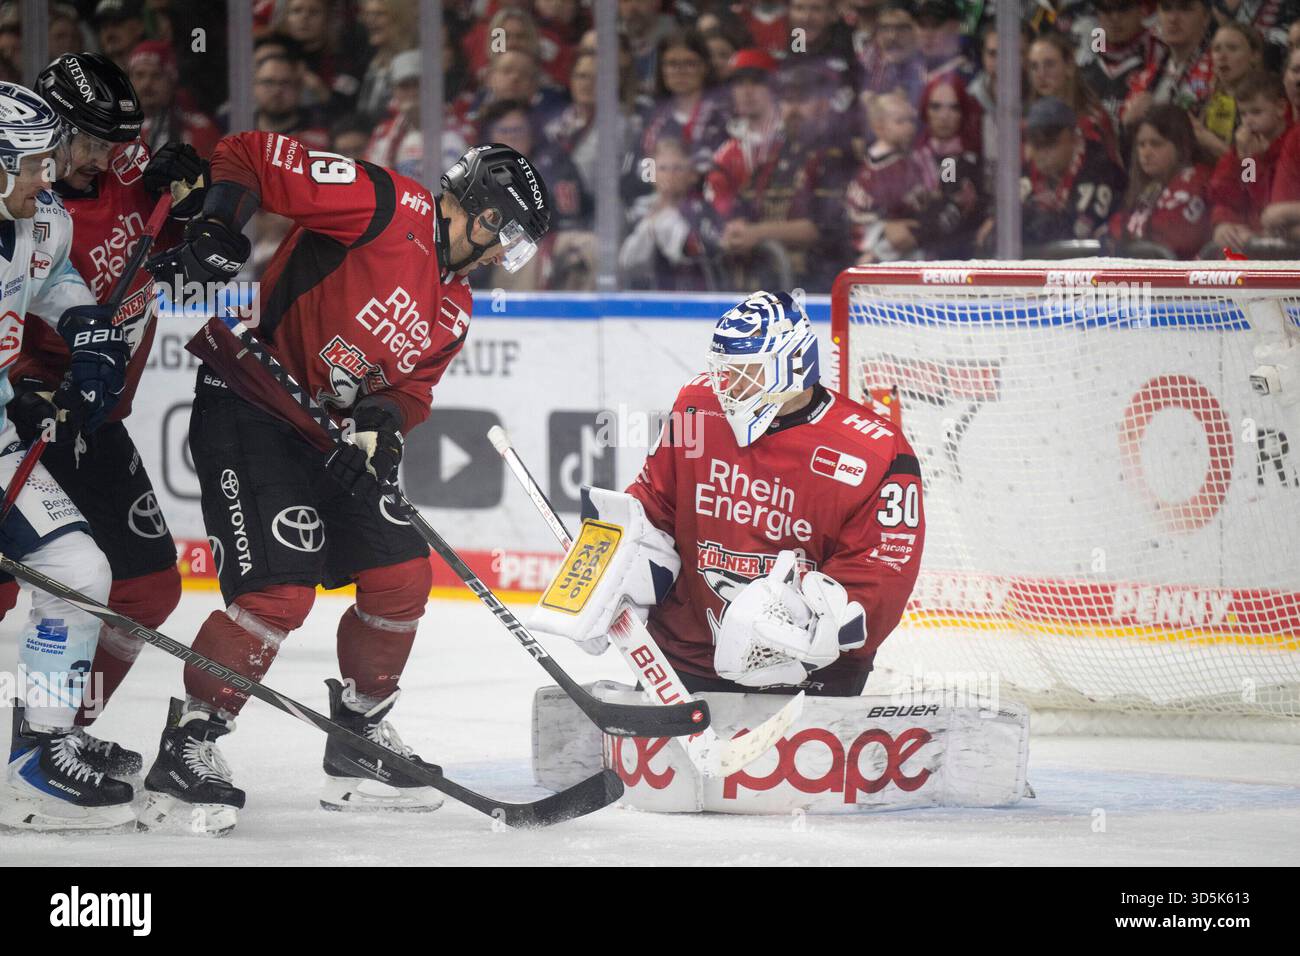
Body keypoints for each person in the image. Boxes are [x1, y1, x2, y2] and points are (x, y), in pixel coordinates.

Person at [136, 141, 552, 834]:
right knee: (280, 589)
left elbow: (411, 391)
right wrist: (215, 224)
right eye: (504, 238)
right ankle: (190, 742)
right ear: (478, 209)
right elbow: (250, 155)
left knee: (402, 575)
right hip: (249, 398)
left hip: (326, 436)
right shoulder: (390, 205)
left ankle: (358, 736)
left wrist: (383, 426)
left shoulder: (454, 306)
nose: (500, 257)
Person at [531, 290, 925, 698]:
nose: (729, 387)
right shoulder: (697, 407)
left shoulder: (878, 453)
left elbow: (879, 579)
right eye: (723, 371)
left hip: (806, 675)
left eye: (746, 371)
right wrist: (609, 567)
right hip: (686, 656)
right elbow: (654, 507)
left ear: (793, 364)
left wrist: (802, 624)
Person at [3, 53, 203, 780]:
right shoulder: (33, 200)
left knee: (143, 588)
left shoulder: (103, 175)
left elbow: (152, 246)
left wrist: (191, 208)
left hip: (93, 417)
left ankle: (53, 731)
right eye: (85, 142)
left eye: (114, 143)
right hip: (34, 412)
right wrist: (30, 391)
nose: (100, 159)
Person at [0, 82, 141, 830]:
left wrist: (88, 330)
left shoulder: (39, 218)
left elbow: (53, 278)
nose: (45, 176)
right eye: (28, 164)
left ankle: (39, 756)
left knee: (79, 569)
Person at [1019, 96, 1127, 249]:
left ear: (1073, 137)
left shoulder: (1099, 168)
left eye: (1049, 143)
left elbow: (1077, 233)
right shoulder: (1028, 169)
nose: (1041, 153)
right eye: (1035, 143)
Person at [1110, 104, 1213, 257]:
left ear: (1180, 145)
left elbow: (1171, 237)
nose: (1146, 153)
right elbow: (1117, 225)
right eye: (1141, 144)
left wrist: (1123, 237)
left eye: (1156, 144)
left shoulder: (1196, 181)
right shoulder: (1152, 186)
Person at [1208, 70, 1293, 250]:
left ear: (1280, 108)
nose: (1248, 121)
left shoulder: (1292, 144)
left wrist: (1252, 161)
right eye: (1243, 114)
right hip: (1249, 237)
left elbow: (1264, 202)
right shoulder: (1242, 149)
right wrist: (1223, 223)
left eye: (1256, 112)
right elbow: (1228, 197)